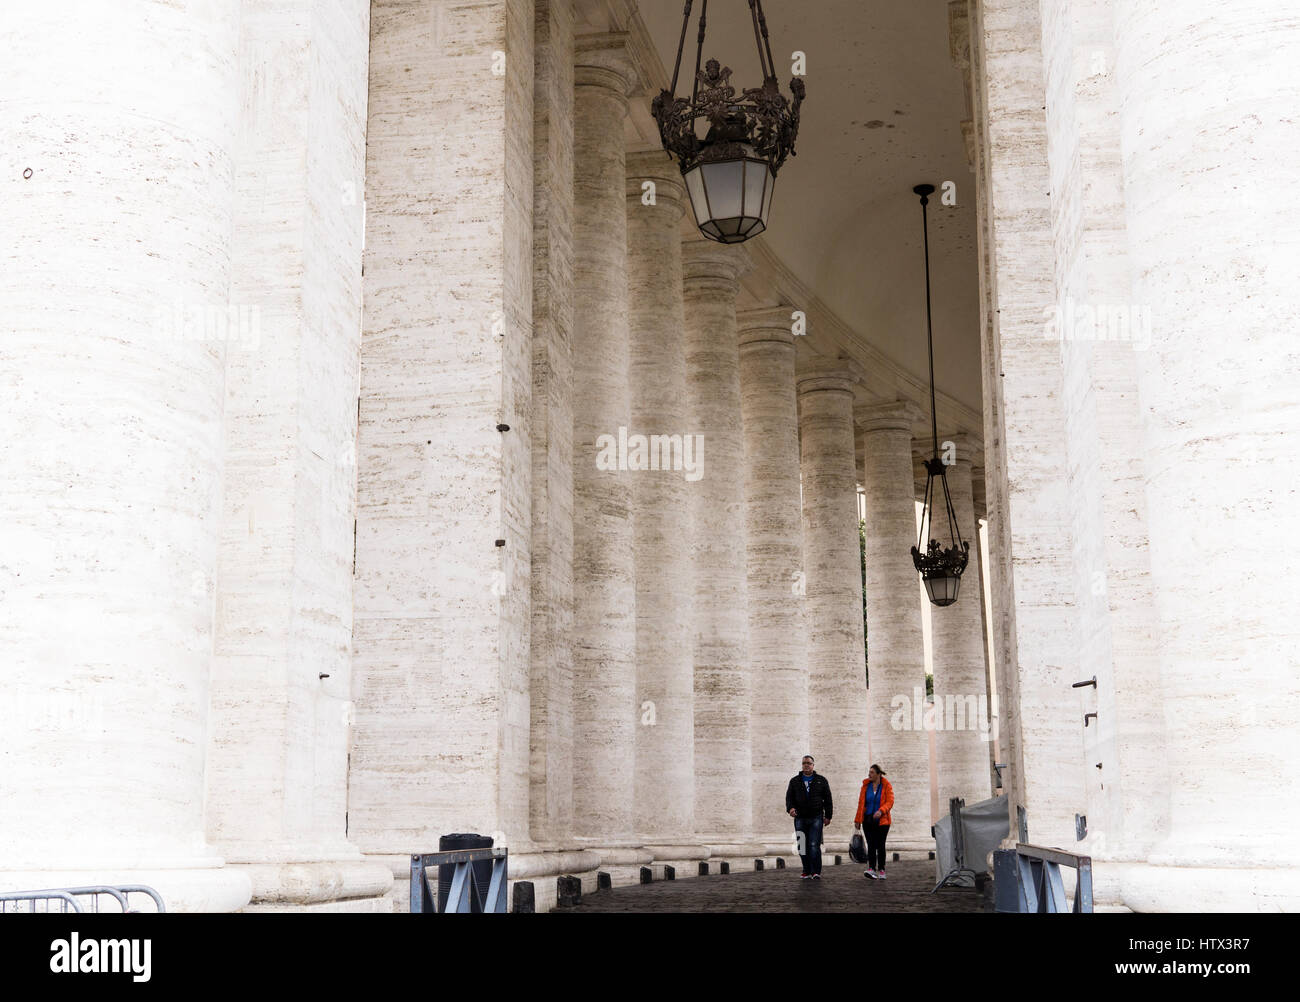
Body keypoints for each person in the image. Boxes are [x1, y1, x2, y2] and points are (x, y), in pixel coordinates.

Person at [785, 755, 832, 879]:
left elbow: (828, 799)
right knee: (801, 845)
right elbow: (789, 798)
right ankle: (806, 870)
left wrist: (828, 816)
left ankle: (816, 871)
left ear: (813, 765)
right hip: (800, 818)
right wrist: (790, 808)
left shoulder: (821, 780)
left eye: (809, 763)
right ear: (802, 765)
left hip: (816, 817)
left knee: (813, 844)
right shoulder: (794, 781)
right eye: (804, 763)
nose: (806, 765)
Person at [854, 763, 893, 879]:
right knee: (871, 844)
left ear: (878, 774)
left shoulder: (886, 786)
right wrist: (858, 820)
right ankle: (871, 868)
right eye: (869, 772)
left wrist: (881, 811)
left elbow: (890, 801)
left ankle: (881, 870)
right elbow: (861, 804)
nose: (869, 774)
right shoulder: (866, 786)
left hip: (882, 821)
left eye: (872, 772)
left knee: (880, 845)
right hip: (867, 819)